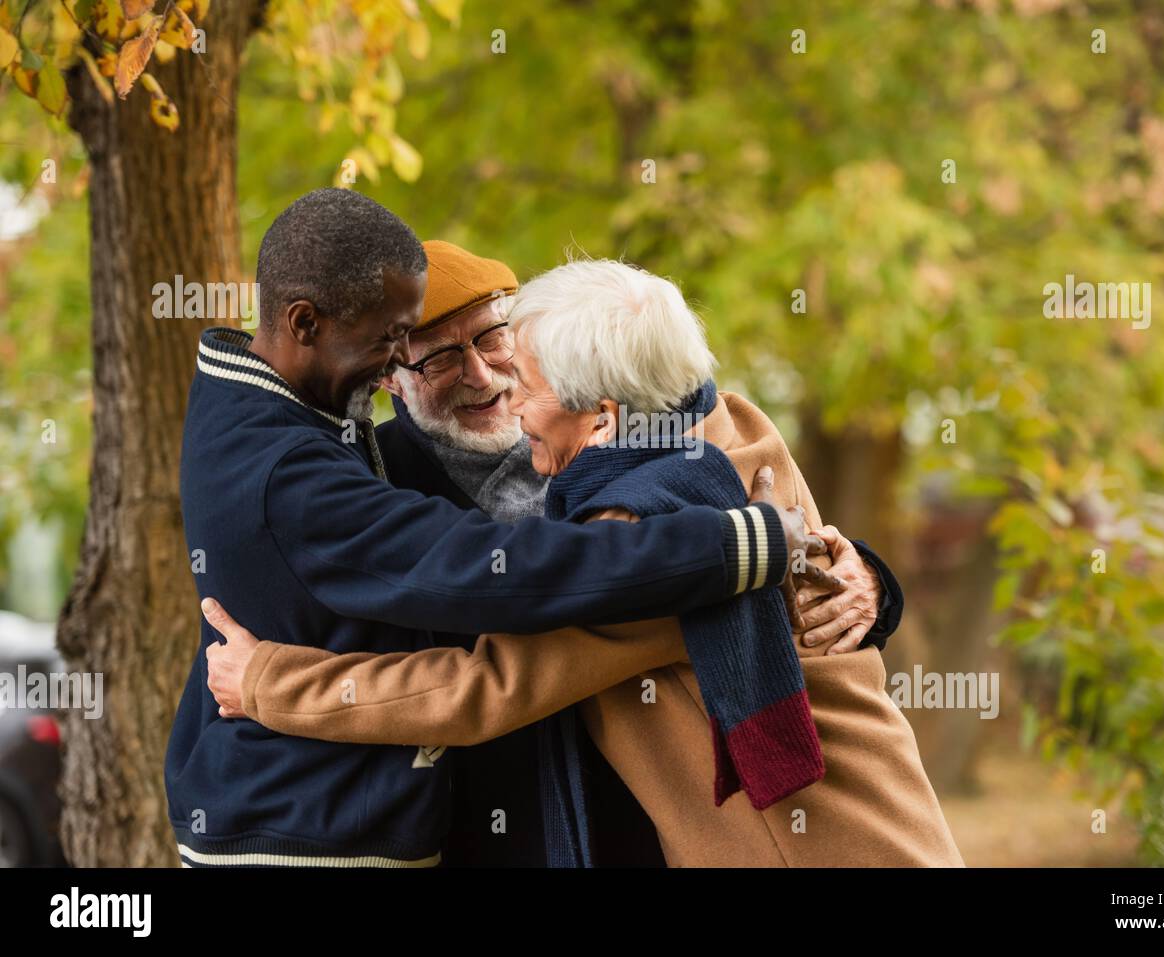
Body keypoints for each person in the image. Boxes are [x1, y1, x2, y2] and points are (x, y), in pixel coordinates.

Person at [204, 257, 964, 866]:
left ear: (602, 414)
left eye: (509, 361)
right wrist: (849, 569)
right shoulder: (722, 425)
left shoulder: (646, 532)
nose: (499, 387)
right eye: (439, 356)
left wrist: (270, 682)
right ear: (393, 381)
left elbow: (486, 686)